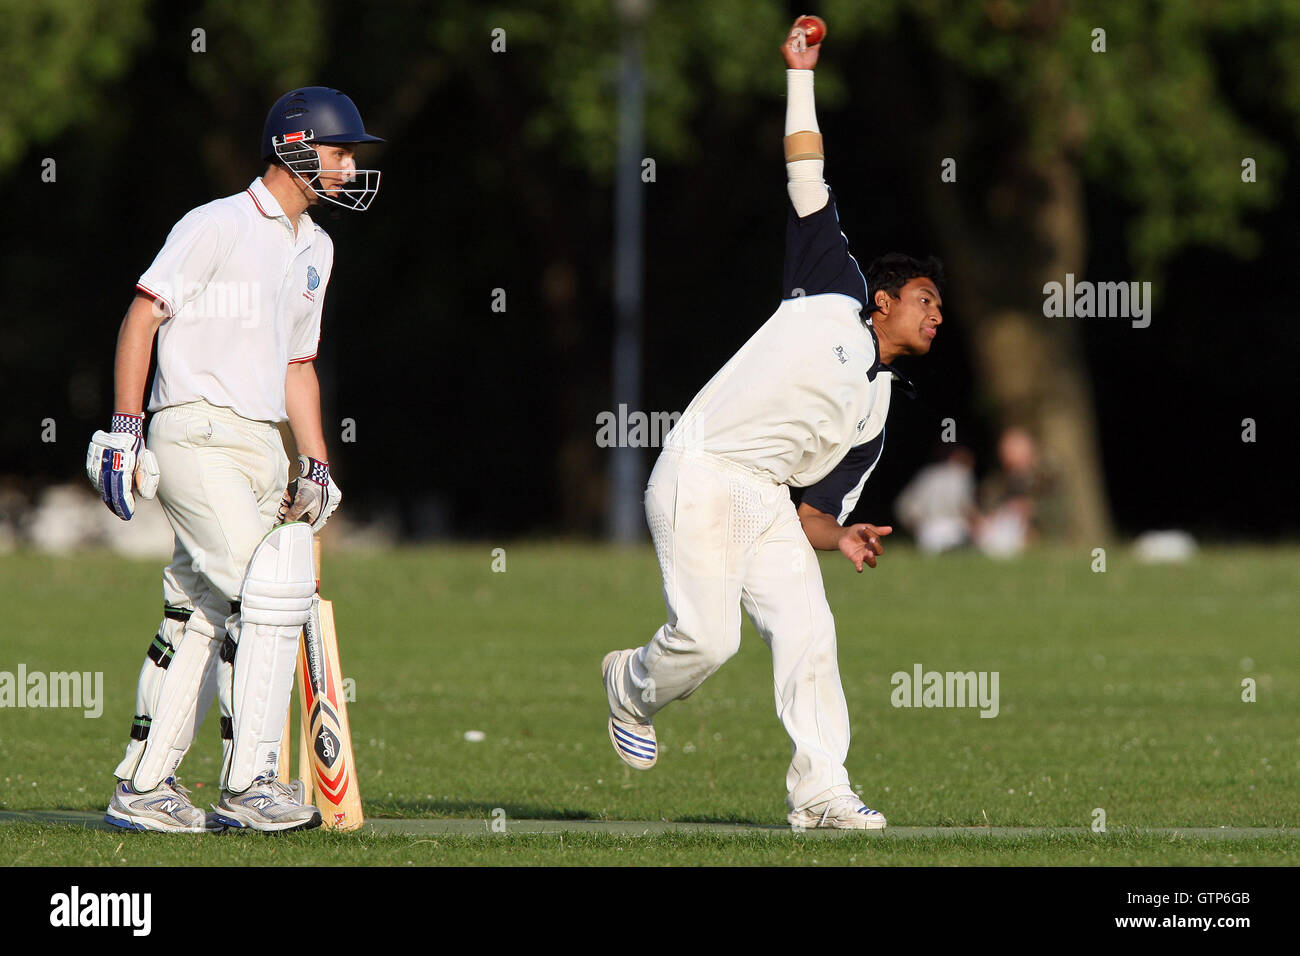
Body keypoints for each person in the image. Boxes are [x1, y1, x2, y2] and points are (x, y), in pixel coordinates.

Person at [601, 21, 945, 829]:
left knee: (809, 628)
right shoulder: (832, 280)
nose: (939, 317)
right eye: (929, 301)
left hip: (764, 501)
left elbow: (813, 508)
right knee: (709, 642)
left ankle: (822, 792)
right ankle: (630, 683)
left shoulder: (878, 407)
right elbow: (805, 166)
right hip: (702, 468)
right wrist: (800, 74)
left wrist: (844, 538)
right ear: (887, 299)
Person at [85, 87, 382, 833]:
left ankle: (144, 788)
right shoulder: (216, 223)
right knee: (271, 593)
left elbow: (297, 365)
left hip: (258, 444)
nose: (350, 167)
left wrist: (313, 463)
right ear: (295, 147)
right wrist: (125, 426)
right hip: (192, 432)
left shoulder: (318, 247)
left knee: (201, 615)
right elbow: (143, 314)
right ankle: (250, 783)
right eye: (340, 151)